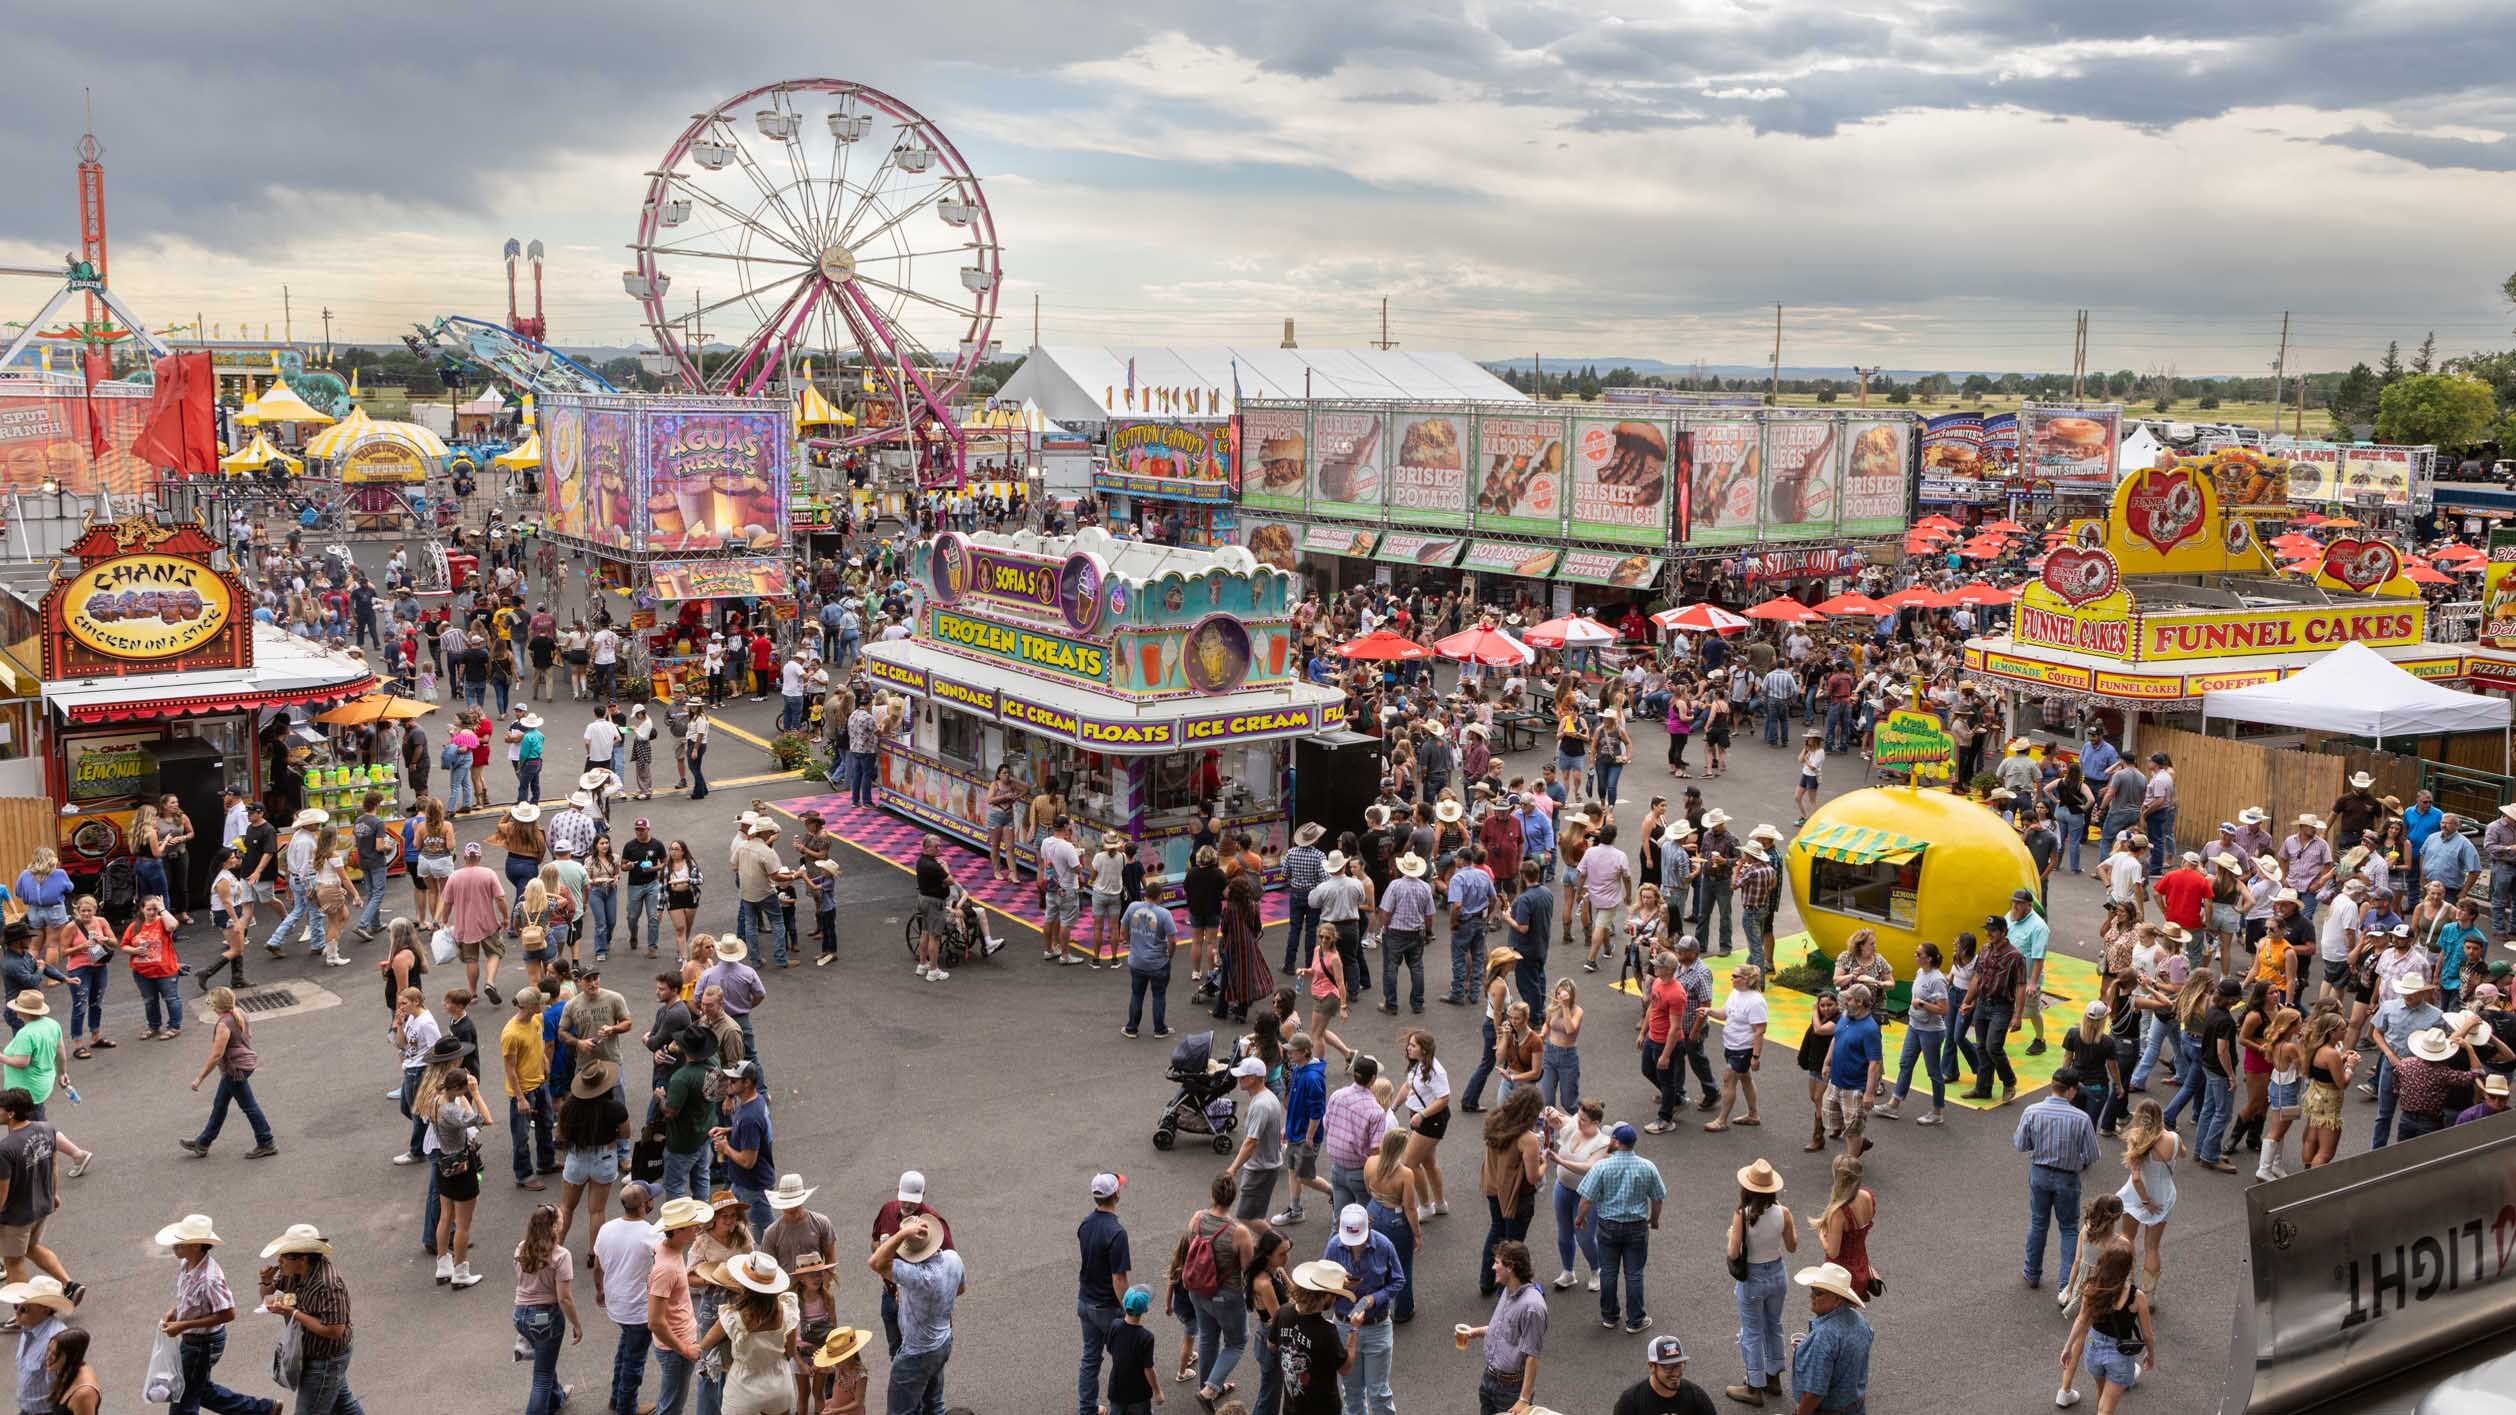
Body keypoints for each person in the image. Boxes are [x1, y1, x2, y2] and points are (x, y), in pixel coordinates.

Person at [155, 1212, 278, 1415]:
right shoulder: (186, 1264)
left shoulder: (210, 1279)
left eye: (180, 1243)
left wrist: (183, 1325)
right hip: (193, 1340)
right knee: (199, 1389)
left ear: (196, 1245)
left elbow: (228, 1314)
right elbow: (189, 1300)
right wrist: (174, 1312)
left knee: (184, 1401)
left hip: (203, 1344)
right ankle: (264, 1410)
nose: (174, 1246)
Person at [257, 1224, 363, 1415]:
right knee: (344, 1408)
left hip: (326, 1360)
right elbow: (267, 1297)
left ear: (302, 1258)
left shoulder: (328, 1284)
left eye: (284, 1256)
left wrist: (294, 1313)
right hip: (310, 1354)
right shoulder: (293, 1273)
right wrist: (266, 1282)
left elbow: (334, 1330)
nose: (279, 1261)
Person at [868, 1213, 964, 1415]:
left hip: (917, 1352)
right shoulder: (952, 1259)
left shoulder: (917, 1276)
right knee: (934, 1405)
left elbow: (875, 1262)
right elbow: (960, 1289)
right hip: (943, 1341)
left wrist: (902, 1234)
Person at [2016, 1069, 2102, 1290]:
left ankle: (2032, 1273)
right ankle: (2066, 1284)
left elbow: (2020, 1144)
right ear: (2071, 1090)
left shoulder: (2032, 1111)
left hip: (2039, 1173)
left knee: (2038, 1223)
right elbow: (2093, 1155)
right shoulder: (2081, 1119)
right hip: (2068, 1178)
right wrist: (2076, 1158)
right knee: (2069, 1229)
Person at [1577, 1121, 1666, 1333]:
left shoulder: (1602, 1166)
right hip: (1636, 1227)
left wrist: (1580, 1218)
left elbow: (1586, 1198)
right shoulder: (1647, 1166)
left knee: (1608, 1271)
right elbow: (1657, 1198)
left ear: (1616, 1141)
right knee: (1634, 1273)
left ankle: (1609, 1316)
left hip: (1608, 1225)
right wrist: (1654, 1220)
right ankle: (1635, 1320)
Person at [1724, 1157, 1799, 1407]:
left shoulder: (1742, 1216)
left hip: (1753, 1277)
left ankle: (1753, 1386)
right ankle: (1773, 1377)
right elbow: (1792, 1246)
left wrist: (1729, 1238)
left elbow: (1734, 1253)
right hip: (1777, 1273)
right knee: (1774, 1325)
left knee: (1753, 1332)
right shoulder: (1783, 1212)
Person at [1321, 1204, 1403, 1415]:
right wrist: (1340, 1285)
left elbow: (1398, 1280)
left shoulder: (1384, 1245)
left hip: (1377, 1327)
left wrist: (1374, 1298)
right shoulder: (1333, 1246)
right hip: (1344, 1327)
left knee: (1379, 1394)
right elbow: (1321, 1286)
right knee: (1352, 1393)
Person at [179, 986, 277, 1160]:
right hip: (242, 1065)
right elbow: (247, 1037)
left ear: (215, 1006)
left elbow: (217, 1055)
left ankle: (266, 1142)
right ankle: (203, 1142)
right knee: (220, 1104)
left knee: (248, 1106)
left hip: (235, 1070)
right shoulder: (239, 1012)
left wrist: (199, 1078)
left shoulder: (224, 1024)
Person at [2056, 1245, 2157, 1413]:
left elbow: (2081, 1320)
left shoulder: (2093, 1288)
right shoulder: (2136, 1296)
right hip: (2119, 1355)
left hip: (2093, 1348)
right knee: (2107, 1409)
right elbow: (2147, 1334)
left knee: (2102, 1395)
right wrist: (2151, 1354)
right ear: (2127, 1269)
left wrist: (2068, 1348)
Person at [593, 1183, 662, 1415]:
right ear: (644, 1205)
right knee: (635, 1360)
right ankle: (627, 1408)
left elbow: (597, 1265)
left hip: (616, 1304)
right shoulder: (652, 1233)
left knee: (625, 1349)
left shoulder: (606, 1228)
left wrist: (600, 1290)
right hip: (639, 1309)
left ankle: (616, 1397)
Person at [1460, 1237, 1547, 1414]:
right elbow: (1502, 1330)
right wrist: (1474, 1332)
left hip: (1511, 1390)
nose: (1493, 1267)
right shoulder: (1508, 1290)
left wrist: (1523, 1399)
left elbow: (1532, 1355)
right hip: (1489, 1378)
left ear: (1511, 1266)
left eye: (1497, 1262)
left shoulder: (1532, 1307)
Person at [511, 1203, 583, 1415]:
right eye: (560, 1221)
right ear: (553, 1227)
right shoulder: (561, 1256)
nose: (563, 1223)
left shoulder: (522, 1248)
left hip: (520, 1315)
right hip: (545, 1318)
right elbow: (565, 1298)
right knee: (542, 1377)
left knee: (545, 1359)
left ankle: (556, 1398)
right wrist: (576, 1324)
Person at [1076, 1171, 1133, 1415]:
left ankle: (1087, 1409)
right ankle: (1126, 1408)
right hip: (1108, 1306)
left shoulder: (1085, 1224)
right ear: (1116, 1194)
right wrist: (1130, 1308)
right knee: (1125, 1359)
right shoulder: (1117, 1233)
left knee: (1090, 1359)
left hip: (1085, 1301)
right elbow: (1119, 1278)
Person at [1788, 1262, 1875, 1415]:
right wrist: (1810, 1349)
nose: (1811, 1296)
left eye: (1818, 1292)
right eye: (1812, 1290)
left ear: (1837, 1300)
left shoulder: (1824, 1335)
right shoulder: (1860, 1320)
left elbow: (1815, 1392)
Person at [1619, 1332, 1720, 1415]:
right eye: (1668, 1367)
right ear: (1651, 1366)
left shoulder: (1696, 1396)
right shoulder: (1631, 1401)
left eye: (1679, 1365)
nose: (1676, 1373)